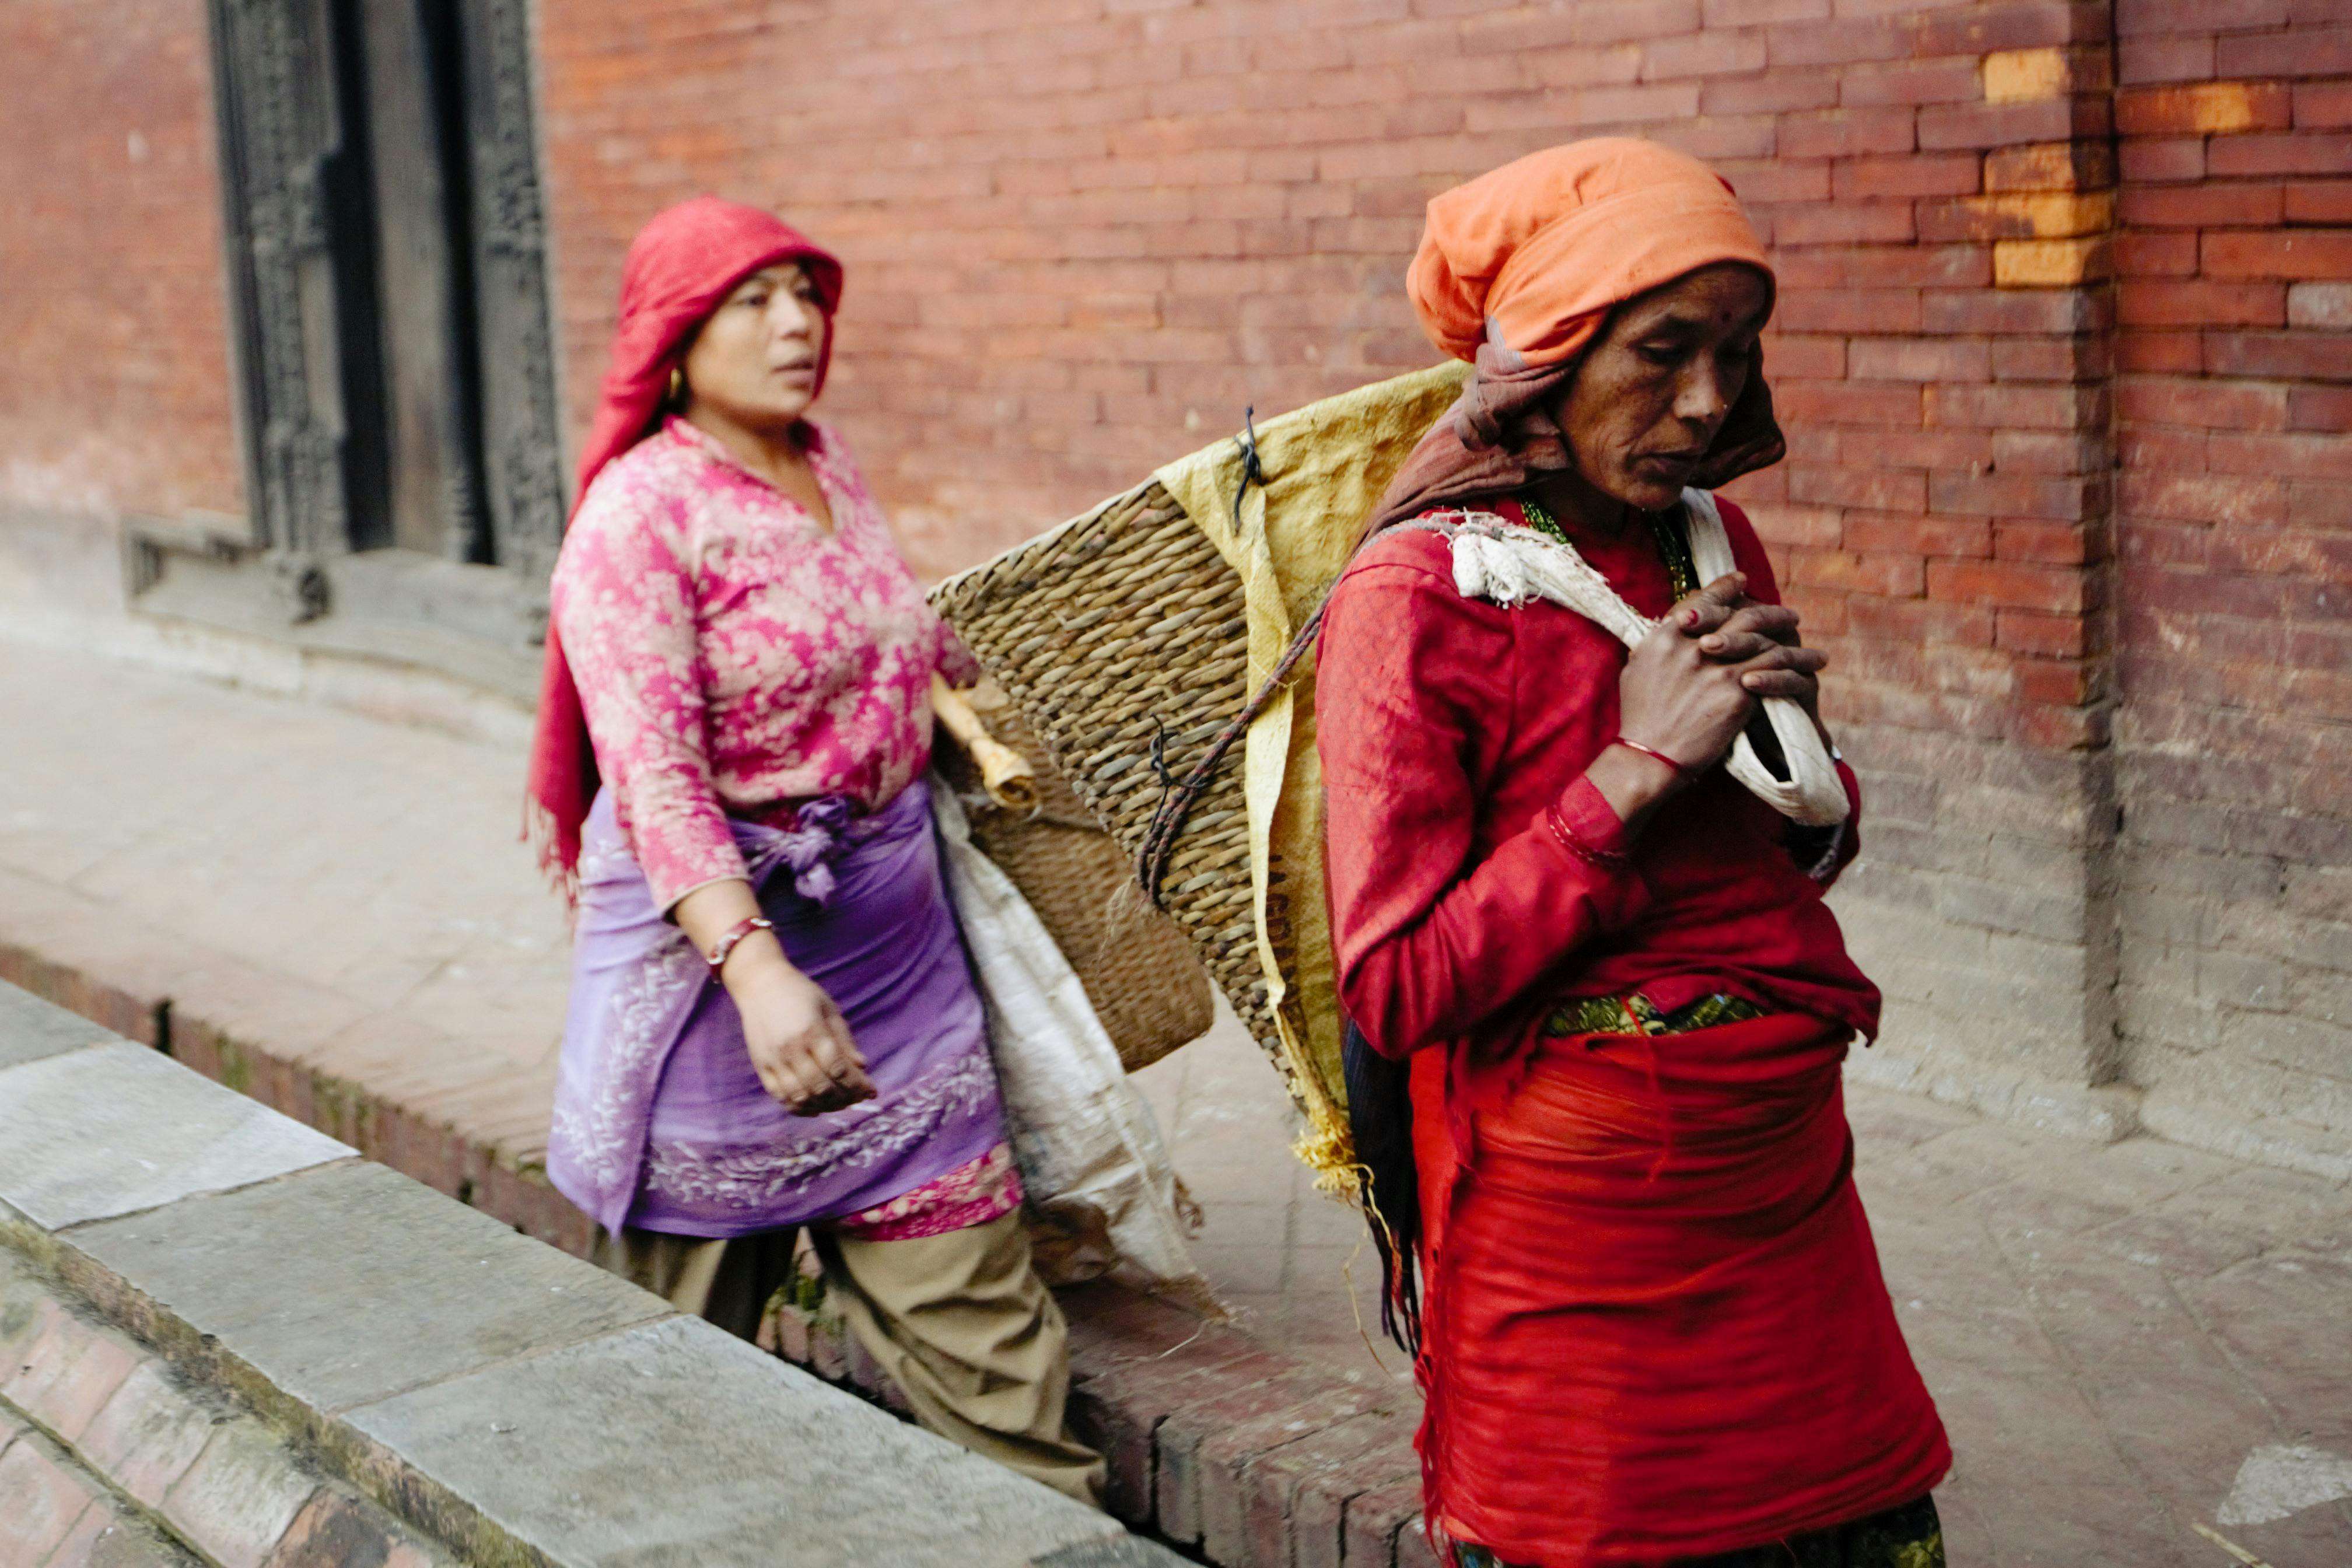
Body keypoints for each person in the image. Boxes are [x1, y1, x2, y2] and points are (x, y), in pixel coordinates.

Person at [1314, 141, 1951, 1566]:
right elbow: (1399, 987)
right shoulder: (1421, 590)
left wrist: (1794, 758)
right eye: (1663, 352)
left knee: (1851, 1525)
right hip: (1581, 1241)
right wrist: (1637, 766)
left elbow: (1772, 873)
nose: (1709, 401)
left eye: (1737, 352)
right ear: (1546, 348)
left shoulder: (1708, 542)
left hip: (1781, 1185)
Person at [527, 196, 1103, 1506]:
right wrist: (756, 968)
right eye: (756, 299)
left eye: (810, 294)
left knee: (1007, 1389)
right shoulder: (637, 520)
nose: (798, 324)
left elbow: (902, 648)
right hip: (720, 1006)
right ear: (676, 338)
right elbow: (656, 776)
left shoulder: (825, 464)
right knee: (666, 1410)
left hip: (901, 984)